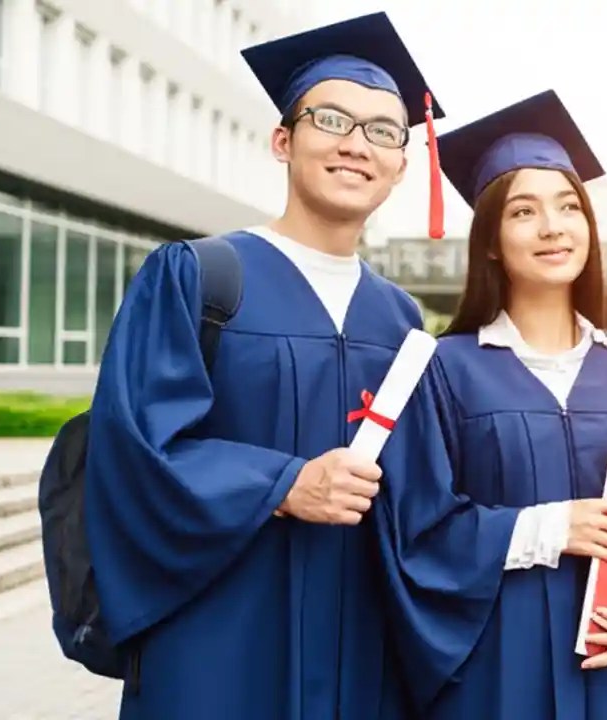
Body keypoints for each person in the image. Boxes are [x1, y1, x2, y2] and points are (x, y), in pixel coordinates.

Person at [84, 12, 450, 718]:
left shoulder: (400, 320)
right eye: (332, 119)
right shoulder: (199, 277)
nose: (356, 144)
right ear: (284, 139)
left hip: (360, 655)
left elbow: (425, 496)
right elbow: (132, 452)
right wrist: (284, 484)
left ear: (402, 164)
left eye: (382, 131)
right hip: (217, 647)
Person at [373, 90, 607, 719]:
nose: (553, 227)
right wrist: (551, 529)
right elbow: (413, 534)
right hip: (492, 681)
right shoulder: (444, 372)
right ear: (494, 242)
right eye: (524, 211)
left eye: (568, 207)